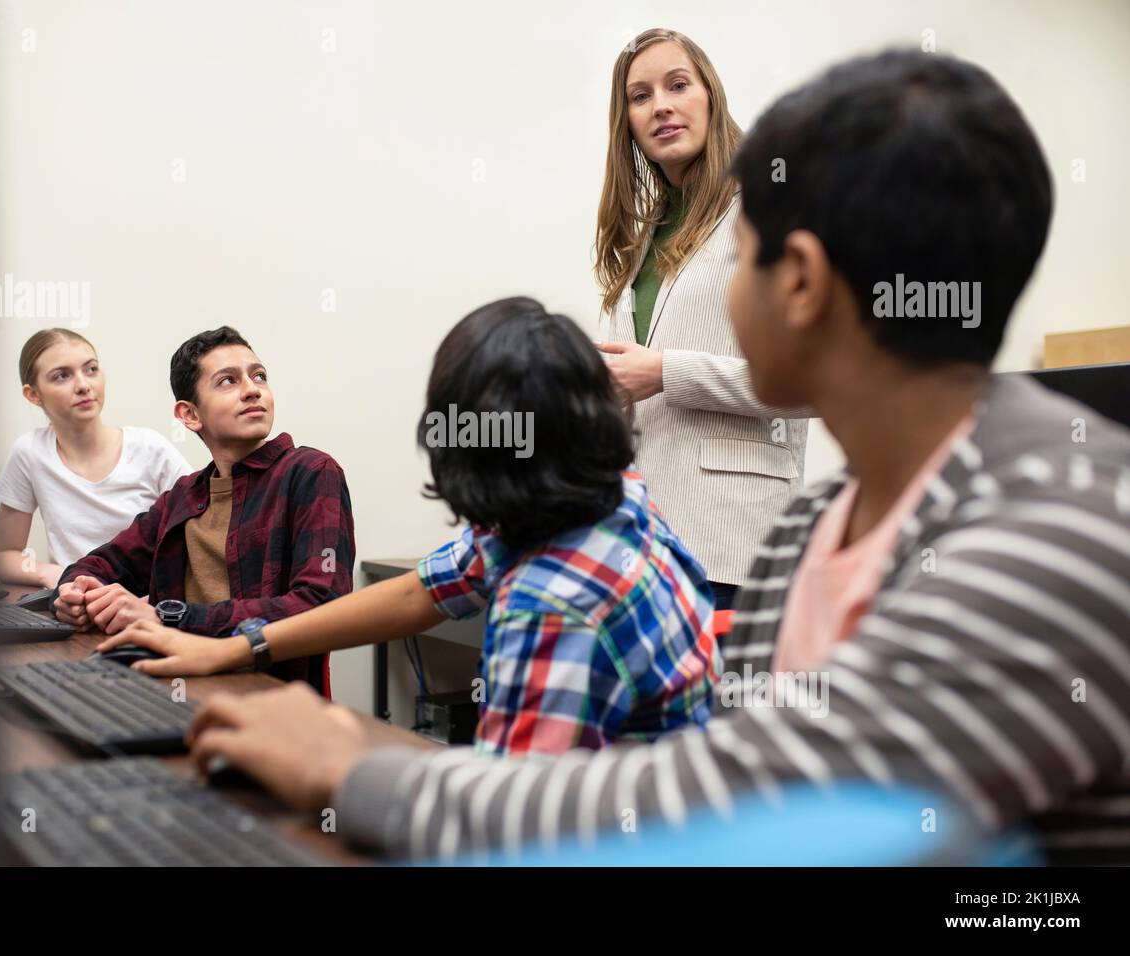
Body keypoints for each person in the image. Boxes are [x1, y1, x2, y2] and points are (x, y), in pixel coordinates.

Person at [181, 50, 1130, 864]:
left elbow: (749, 795)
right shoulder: (815, 523)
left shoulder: (1053, 529)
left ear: (796, 280)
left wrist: (356, 763)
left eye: (742, 249)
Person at [98, 299, 720, 756]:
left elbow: (504, 820)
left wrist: (340, 764)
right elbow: (421, 591)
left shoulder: (554, 600)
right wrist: (234, 649)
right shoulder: (605, 502)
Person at [594, 28, 813, 610]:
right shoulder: (641, 241)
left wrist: (668, 372)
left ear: (710, 96)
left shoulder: (766, 208)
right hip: (644, 549)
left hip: (736, 547)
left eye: (678, 85)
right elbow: (638, 389)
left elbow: (816, 383)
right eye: (640, 96)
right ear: (629, 124)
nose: (660, 105)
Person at [51, 326, 355, 694]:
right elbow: (101, 564)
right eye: (228, 381)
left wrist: (168, 617)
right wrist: (76, 594)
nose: (253, 389)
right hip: (173, 686)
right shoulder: (184, 496)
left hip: (269, 697)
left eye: (259, 376)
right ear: (190, 415)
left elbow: (322, 604)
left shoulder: (310, 472)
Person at [0, 328, 193, 588]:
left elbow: (203, 532)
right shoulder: (30, 453)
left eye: (91, 369)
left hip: (143, 603)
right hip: (74, 603)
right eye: (62, 376)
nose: (84, 385)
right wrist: (59, 575)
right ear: (33, 395)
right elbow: (4, 556)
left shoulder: (150, 448)